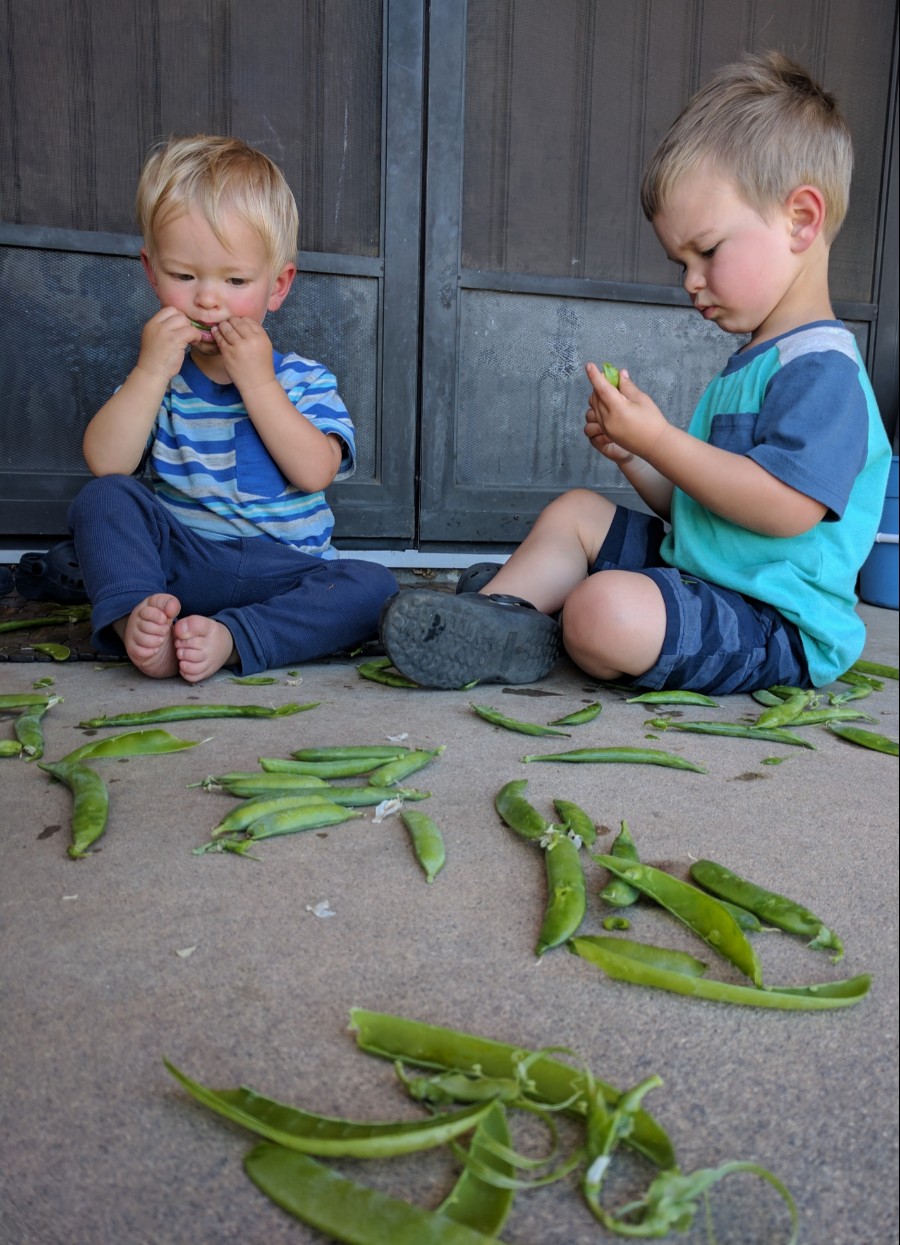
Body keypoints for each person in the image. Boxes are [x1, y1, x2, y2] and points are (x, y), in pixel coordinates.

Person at [379, 50, 892, 694]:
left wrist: (660, 440)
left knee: (603, 610)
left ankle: (550, 611)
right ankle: (499, 615)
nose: (690, 282)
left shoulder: (824, 372)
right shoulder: (749, 364)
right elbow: (697, 507)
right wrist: (633, 456)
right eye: (681, 262)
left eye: (705, 251)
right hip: (704, 575)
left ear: (800, 220)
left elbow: (785, 509)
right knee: (577, 510)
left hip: (773, 620)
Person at [69, 135, 397, 682]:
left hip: (287, 572)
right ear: (152, 273)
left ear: (278, 285)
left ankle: (235, 637)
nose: (208, 299)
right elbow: (107, 464)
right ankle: (139, 622)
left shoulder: (303, 380)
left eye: (236, 280)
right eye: (184, 276)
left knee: (372, 588)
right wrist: (150, 372)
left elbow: (315, 471)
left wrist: (259, 383)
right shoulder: (161, 377)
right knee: (103, 500)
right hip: (186, 562)